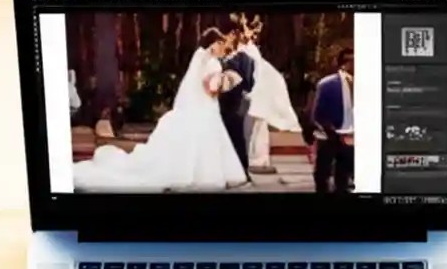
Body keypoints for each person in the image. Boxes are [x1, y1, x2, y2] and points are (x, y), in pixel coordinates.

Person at [71, 28, 246, 192]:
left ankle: (195, 173)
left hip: (201, 108)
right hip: (206, 108)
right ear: (213, 44)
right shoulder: (212, 62)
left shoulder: (202, 58)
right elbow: (210, 88)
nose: (222, 48)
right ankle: (201, 175)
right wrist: (225, 85)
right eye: (220, 44)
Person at [235, 15, 302, 173]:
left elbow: (261, 70)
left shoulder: (250, 48)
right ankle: (250, 159)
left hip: (258, 92)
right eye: (250, 28)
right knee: (249, 128)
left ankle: (259, 159)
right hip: (249, 93)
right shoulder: (241, 49)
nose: (253, 33)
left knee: (258, 128)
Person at [311, 47, 354, 193]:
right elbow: (317, 113)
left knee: (343, 176)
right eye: (351, 61)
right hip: (330, 134)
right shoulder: (327, 84)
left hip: (351, 136)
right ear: (345, 64)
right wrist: (331, 131)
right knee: (322, 173)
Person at [218, 27, 256, 174]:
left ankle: (237, 168)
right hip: (237, 100)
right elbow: (250, 83)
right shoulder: (247, 59)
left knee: (234, 135)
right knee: (237, 136)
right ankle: (239, 167)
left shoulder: (238, 60)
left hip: (231, 101)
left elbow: (243, 81)